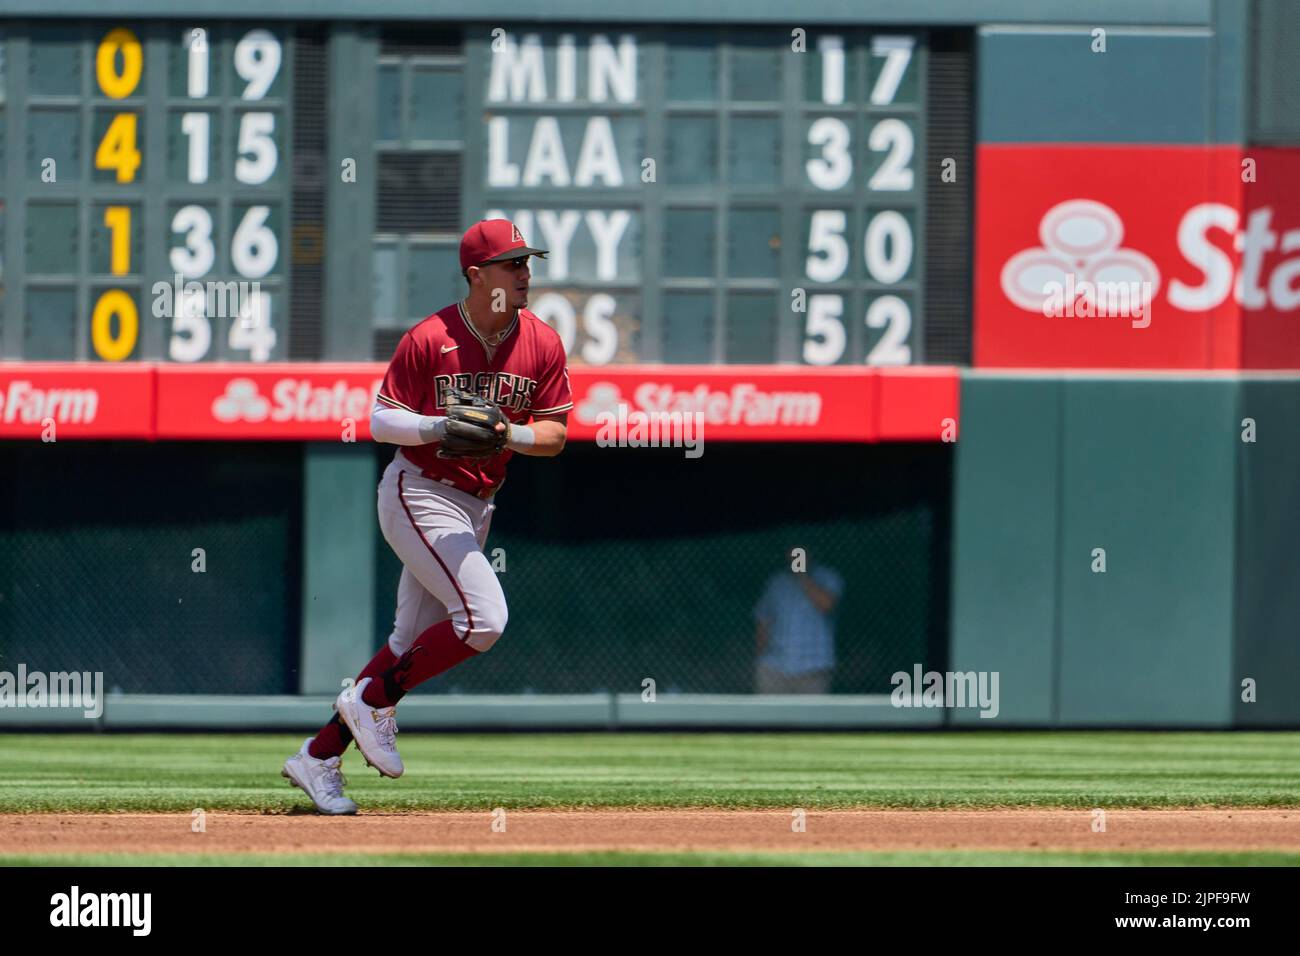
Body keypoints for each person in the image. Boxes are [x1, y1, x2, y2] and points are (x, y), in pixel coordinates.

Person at [282, 219, 572, 814]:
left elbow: (556, 434)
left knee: (406, 641)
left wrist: (507, 432)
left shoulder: (542, 341)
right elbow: (381, 421)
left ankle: (317, 756)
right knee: (485, 619)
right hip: (420, 490)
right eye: (512, 264)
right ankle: (374, 699)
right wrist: (441, 425)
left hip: (478, 502)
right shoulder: (429, 338)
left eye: (527, 262)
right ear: (477, 275)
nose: (525, 274)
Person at [752, 561, 844, 694]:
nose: (796, 558)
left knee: (811, 715)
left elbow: (826, 605)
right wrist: (759, 658)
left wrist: (802, 576)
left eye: (800, 553)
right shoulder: (777, 581)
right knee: (770, 714)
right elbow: (763, 620)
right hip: (774, 667)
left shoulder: (828, 577)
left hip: (813, 668)